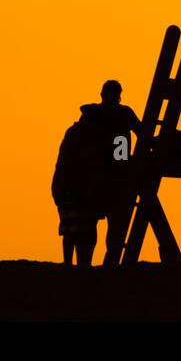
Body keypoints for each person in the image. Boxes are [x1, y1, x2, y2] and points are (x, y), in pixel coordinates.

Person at [79, 80, 141, 265]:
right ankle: (95, 264)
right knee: (95, 223)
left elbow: (143, 134)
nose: (114, 97)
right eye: (112, 93)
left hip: (114, 175)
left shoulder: (117, 113)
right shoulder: (96, 114)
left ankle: (108, 263)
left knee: (112, 224)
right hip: (102, 175)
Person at [52, 113, 106, 266]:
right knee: (81, 230)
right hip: (76, 191)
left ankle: (71, 264)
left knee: (72, 229)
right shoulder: (86, 136)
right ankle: (80, 265)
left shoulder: (74, 133)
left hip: (67, 190)